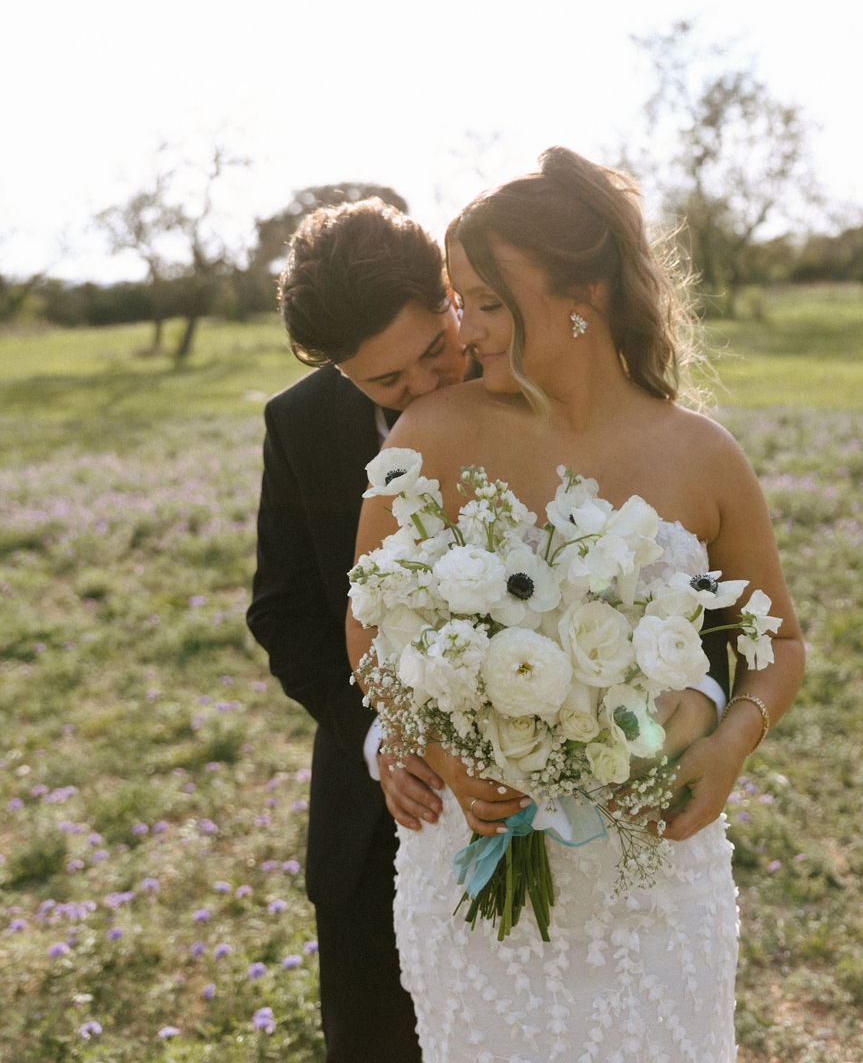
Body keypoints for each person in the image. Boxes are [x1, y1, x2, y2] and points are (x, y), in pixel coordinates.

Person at [347, 149, 805, 1063]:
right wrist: (438, 746)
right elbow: (368, 630)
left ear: (581, 294)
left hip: (654, 876)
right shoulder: (431, 435)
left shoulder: (702, 454)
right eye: (459, 299)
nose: (462, 329)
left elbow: (780, 641)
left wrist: (728, 745)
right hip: (478, 861)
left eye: (486, 302)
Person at [246, 198, 463, 1063]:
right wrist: (376, 739)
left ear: (450, 293)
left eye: (434, 354)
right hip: (379, 819)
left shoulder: (530, 387)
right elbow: (284, 611)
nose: (424, 391)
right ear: (339, 369)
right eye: (386, 383)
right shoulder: (296, 426)